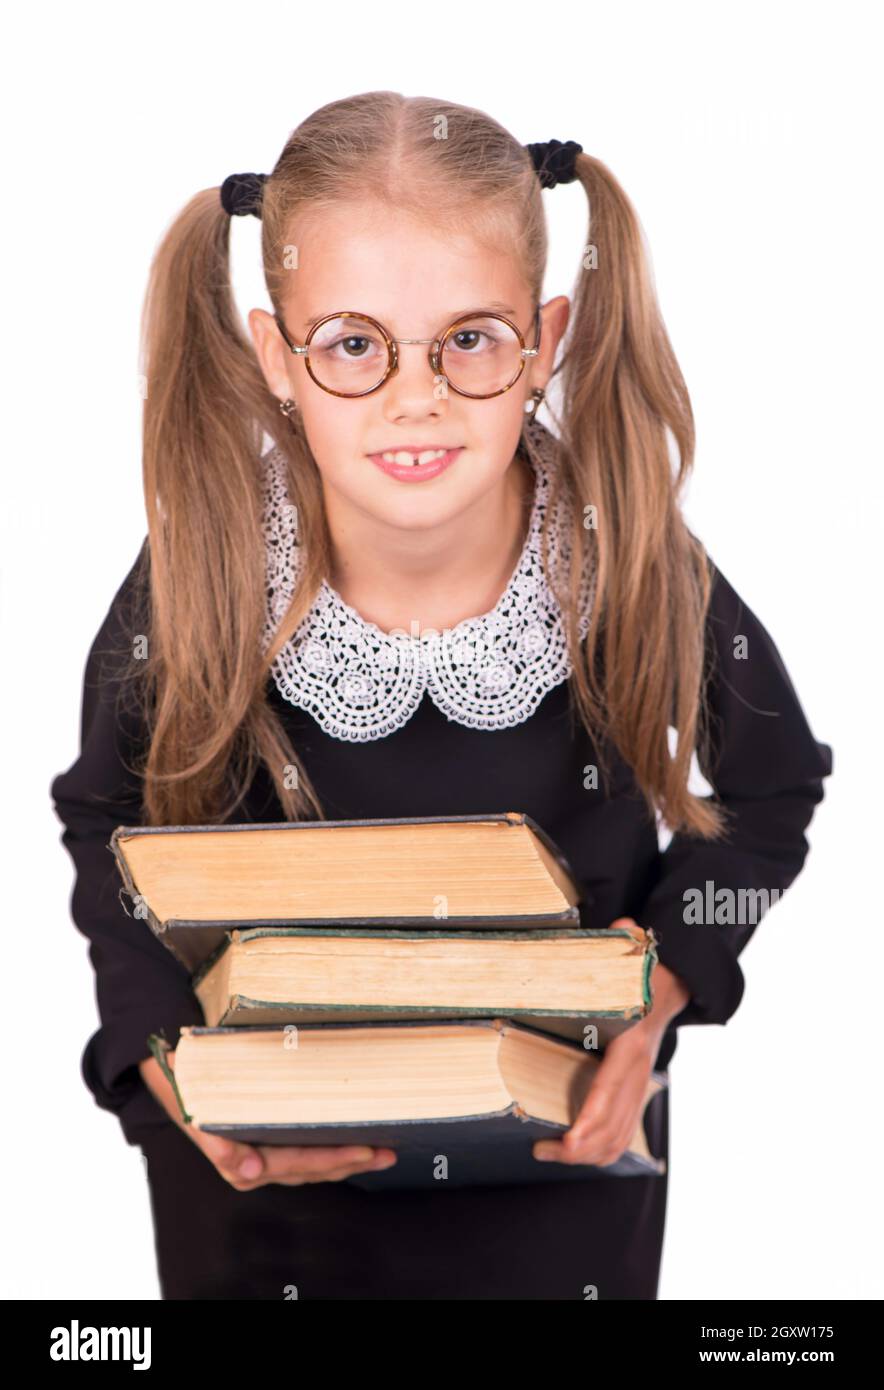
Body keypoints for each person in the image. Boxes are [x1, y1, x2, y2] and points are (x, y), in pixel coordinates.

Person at [49, 91, 833, 1300]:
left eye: (469, 338)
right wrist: (164, 1067)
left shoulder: (616, 553)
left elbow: (774, 792)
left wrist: (655, 992)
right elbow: (105, 826)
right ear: (277, 355)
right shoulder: (203, 565)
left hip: (552, 1170)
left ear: (545, 336)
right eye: (353, 343)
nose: (414, 398)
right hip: (266, 1189)